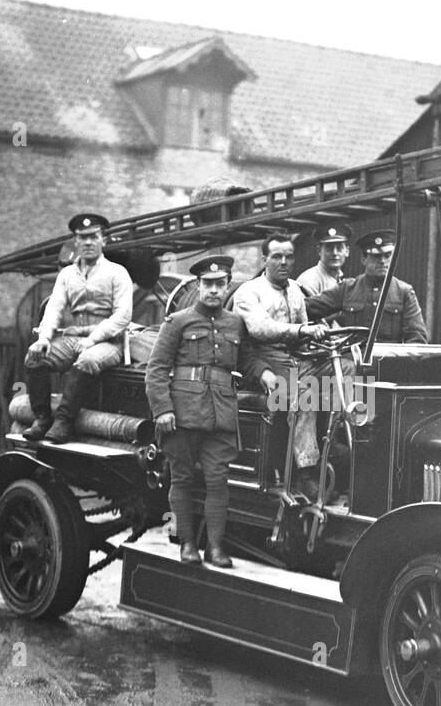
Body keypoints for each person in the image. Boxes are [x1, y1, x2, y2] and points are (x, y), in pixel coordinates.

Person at [146, 256, 278, 568]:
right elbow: (156, 370)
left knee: (218, 480)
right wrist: (163, 410)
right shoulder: (177, 322)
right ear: (198, 285)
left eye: (220, 284)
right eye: (208, 284)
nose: (214, 291)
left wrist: (264, 373)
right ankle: (187, 545)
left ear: (228, 285)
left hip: (220, 414)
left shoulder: (235, 324)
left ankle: (215, 548)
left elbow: (246, 360)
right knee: (181, 478)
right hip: (183, 413)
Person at [231, 233, 329, 495]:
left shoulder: (295, 289)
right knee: (305, 391)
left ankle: (347, 443)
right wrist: (302, 331)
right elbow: (260, 329)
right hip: (261, 359)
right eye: (277, 257)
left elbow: (305, 328)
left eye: (289, 257)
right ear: (265, 260)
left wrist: (317, 339)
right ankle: (305, 471)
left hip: (294, 355)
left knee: (350, 372)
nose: (284, 262)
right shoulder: (249, 292)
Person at [23, 212, 133, 443]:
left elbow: (123, 316)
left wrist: (92, 339)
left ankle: (63, 422)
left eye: (94, 237)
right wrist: (44, 338)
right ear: (76, 241)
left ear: (104, 239)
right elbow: (54, 308)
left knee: (87, 360)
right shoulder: (66, 274)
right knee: (34, 358)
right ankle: (42, 418)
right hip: (75, 336)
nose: (88, 242)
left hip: (108, 341)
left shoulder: (117, 272)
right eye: (83, 238)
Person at [304, 230, 428, 343]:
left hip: (388, 362)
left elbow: (417, 338)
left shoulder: (404, 292)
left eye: (387, 255)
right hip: (354, 361)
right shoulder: (348, 288)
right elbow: (308, 308)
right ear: (364, 259)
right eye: (376, 256)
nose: (383, 261)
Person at [296, 223, 353, 297]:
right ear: (319, 250)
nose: (334, 253)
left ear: (347, 251)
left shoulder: (340, 279)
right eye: (329, 248)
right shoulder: (309, 280)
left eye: (339, 248)